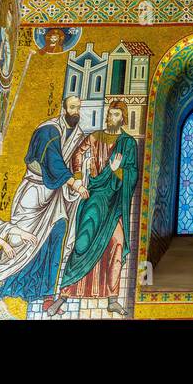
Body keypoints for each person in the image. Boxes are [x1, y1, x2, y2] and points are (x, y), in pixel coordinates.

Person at [0, 94, 89, 306]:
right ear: (62, 108)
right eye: (72, 107)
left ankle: (46, 293)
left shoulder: (77, 135)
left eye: (78, 108)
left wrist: (81, 174)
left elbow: (77, 160)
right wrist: (73, 184)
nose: (76, 112)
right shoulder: (48, 130)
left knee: (56, 236)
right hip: (34, 191)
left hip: (56, 197)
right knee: (18, 240)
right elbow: (53, 161)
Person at [54, 102, 141, 316]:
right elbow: (76, 155)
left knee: (117, 243)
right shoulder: (96, 137)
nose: (112, 118)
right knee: (83, 242)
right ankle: (63, 295)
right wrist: (78, 180)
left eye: (116, 114)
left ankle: (112, 299)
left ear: (123, 118)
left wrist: (116, 171)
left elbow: (133, 174)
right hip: (94, 197)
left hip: (114, 203)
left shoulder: (128, 143)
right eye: (110, 114)